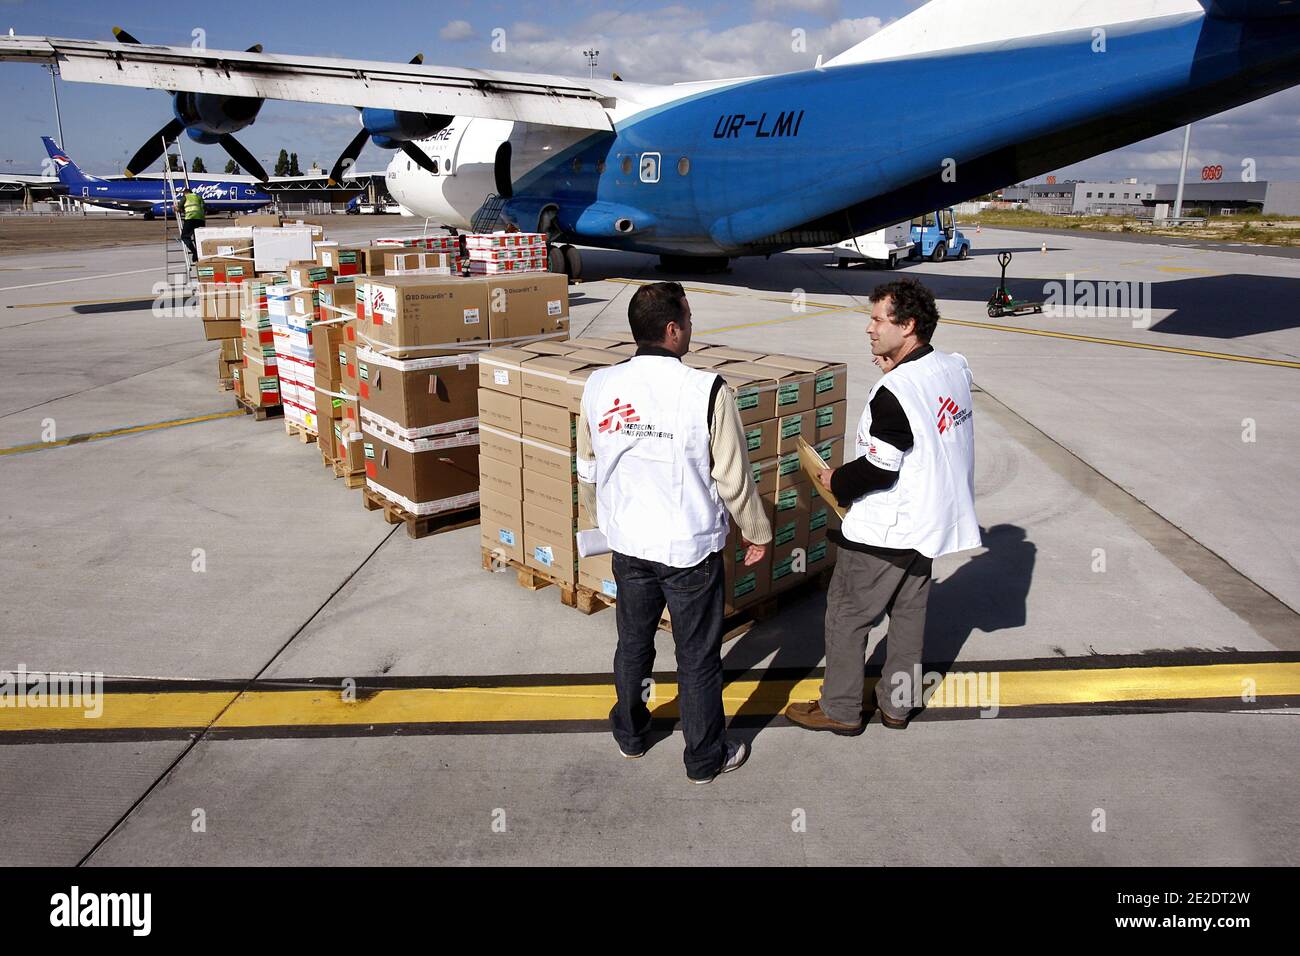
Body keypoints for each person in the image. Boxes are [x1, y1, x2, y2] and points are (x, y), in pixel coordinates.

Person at [577, 282, 773, 784]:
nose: (691, 326)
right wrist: (756, 530)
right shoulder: (707, 389)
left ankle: (632, 732)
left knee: (634, 644)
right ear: (672, 329)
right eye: (688, 317)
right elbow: (732, 476)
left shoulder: (599, 385)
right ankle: (704, 757)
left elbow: (587, 466)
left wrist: (597, 521)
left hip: (629, 545)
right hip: (688, 550)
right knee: (698, 657)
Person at [786, 278, 981, 735]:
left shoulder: (892, 393)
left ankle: (840, 708)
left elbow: (881, 467)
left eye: (878, 320)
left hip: (888, 528)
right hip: (932, 522)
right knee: (909, 616)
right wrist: (894, 367)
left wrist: (836, 479)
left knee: (848, 615)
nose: (869, 329)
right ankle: (897, 705)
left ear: (908, 325)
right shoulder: (953, 367)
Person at [174, 187, 206, 262]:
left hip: (190, 218)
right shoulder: (198, 197)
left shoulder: (185, 197)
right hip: (200, 219)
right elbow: (203, 206)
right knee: (198, 238)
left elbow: (178, 209)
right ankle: (199, 254)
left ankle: (195, 252)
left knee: (185, 237)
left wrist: (175, 208)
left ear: (185, 193)